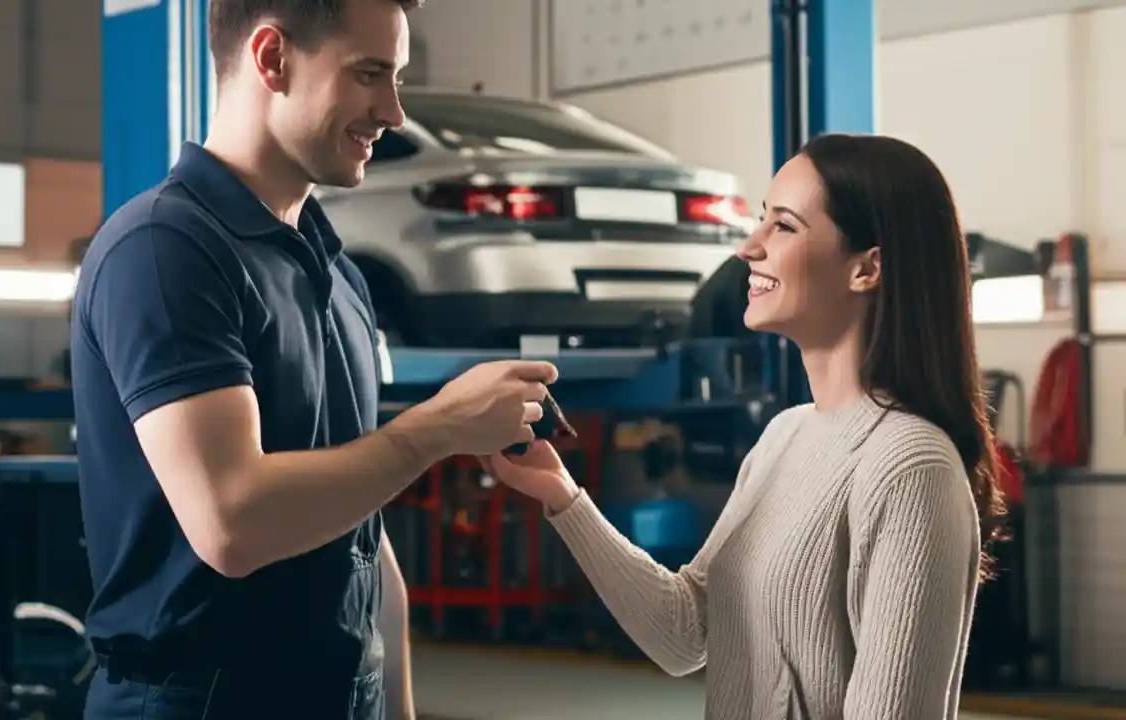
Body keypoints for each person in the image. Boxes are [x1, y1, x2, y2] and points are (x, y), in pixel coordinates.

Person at [69, 0, 559, 717]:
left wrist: (395, 706)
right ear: (272, 58)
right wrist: (436, 429)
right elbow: (231, 524)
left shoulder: (337, 272)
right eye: (369, 74)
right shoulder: (164, 250)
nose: (392, 112)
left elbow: (363, 533)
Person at [485, 134, 1007, 719]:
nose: (748, 248)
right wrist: (560, 494)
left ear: (867, 268)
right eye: (760, 221)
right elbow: (685, 632)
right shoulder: (785, 438)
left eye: (783, 227)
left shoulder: (911, 467)